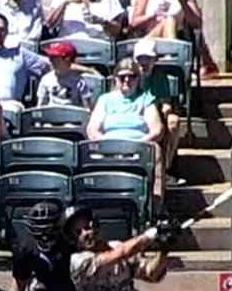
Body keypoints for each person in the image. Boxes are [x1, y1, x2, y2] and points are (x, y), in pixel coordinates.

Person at [128, 0, 219, 79]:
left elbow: (197, 23)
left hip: (179, 38)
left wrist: (182, 1)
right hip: (150, 40)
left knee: (170, 20)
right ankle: (171, 58)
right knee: (168, 20)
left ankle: (170, 55)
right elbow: (133, 23)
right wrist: (151, 16)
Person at [87, 58, 167, 195]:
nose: (127, 80)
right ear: (115, 79)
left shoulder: (145, 99)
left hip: (138, 145)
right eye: (122, 77)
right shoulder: (105, 100)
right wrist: (108, 144)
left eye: (132, 76)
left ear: (138, 79)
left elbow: (157, 129)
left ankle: (156, 199)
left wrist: (137, 144)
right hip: (108, 146)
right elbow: (92, 129)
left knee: (156, 150)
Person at [131, 38, 185, 186]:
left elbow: (166, 103)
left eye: (148, 58)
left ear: (155, 60)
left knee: (173, 122)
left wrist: (165, 110)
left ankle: (166, 168)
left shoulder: (159, 77)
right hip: (133, 115)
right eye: (141, 58)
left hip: (154, 115)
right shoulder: (128, 76)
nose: (144, 62)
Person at [36, 40, 97, 109]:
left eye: (54, 58)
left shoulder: (79, 82)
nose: (50, 60)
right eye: (50, 57)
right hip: (51, 113)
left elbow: (87, 108)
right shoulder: (46, 79)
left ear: (67, 60)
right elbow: (40, 107)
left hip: (72, 114)